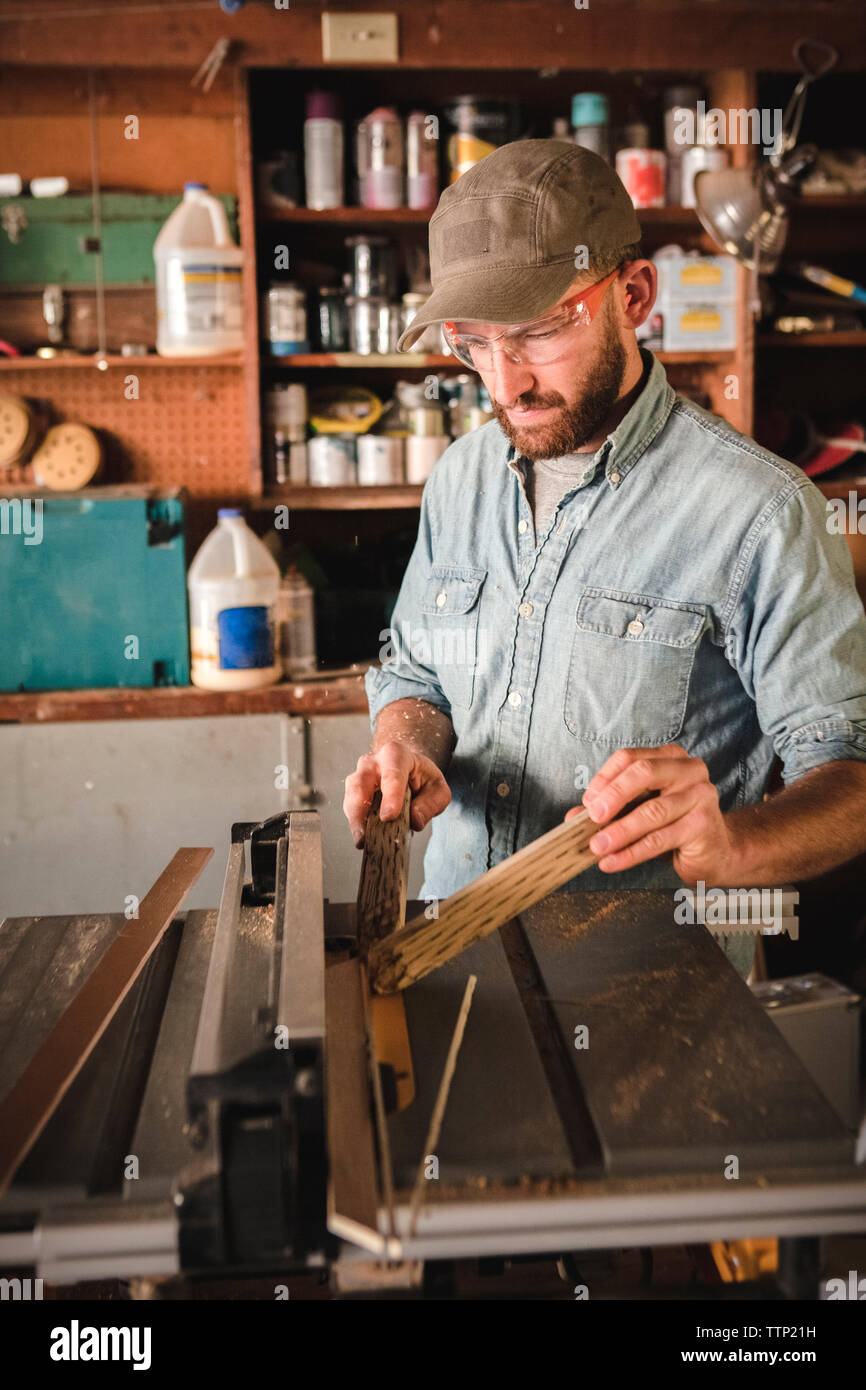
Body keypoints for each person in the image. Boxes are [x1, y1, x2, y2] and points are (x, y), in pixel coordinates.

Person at [342, 139, 866, 978]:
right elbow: (417, 678)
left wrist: (728, 844)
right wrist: (411, 749)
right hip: (451, 956)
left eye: (540, 330)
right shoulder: (461, 479)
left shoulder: (760, 511)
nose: (504, 382)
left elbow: (852, 775)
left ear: (635, 294)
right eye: (471, 344)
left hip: (655, 993)